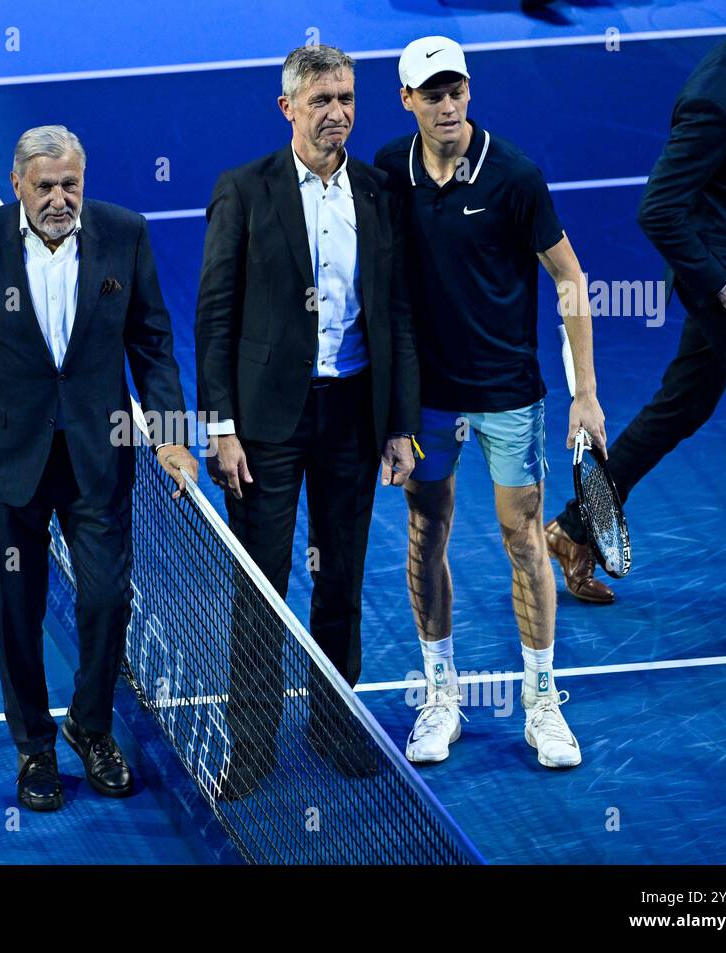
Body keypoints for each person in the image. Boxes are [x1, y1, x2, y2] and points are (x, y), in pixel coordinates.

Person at [0, 126, 198, 812]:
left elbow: (153, 343)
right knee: (17, 606)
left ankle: (90, 723)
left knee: (107, 598)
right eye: (44, 186)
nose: (58, 198)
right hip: (6, 463)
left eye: (69, 184)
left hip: (96, 457)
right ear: (17, 183)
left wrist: (169, 434)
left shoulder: (123, 233)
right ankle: (34, 745)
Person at [374, 37, 605, 769]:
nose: (448, 105)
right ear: (407, 99)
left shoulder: (514, 176)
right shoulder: (386, 171)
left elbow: (570, 278)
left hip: (508, 391)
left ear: (469, 92)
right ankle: (442, 696)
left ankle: (541, 705)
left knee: (523, 534)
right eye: (432, 94)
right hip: (428, 395)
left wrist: (586, 393)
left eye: (457, 91)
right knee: (426, 530)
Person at [195, 45, 419, 797]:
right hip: (265, 423)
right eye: (321, 100)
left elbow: (396, 314)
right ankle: (251, 745)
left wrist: (400, 422)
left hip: (352, 413)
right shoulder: (244, 190)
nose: (338, 113)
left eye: (348, 98)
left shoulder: (380, 191)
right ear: (287, 107)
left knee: (341, 578)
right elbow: (216, 314)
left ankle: (333, 723)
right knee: (261, 588)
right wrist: (220, 426)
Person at [546, 0, 726, 611]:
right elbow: (658, 210)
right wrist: (721, 284)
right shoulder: (713, 98)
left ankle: (571, 529)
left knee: (682, 407)